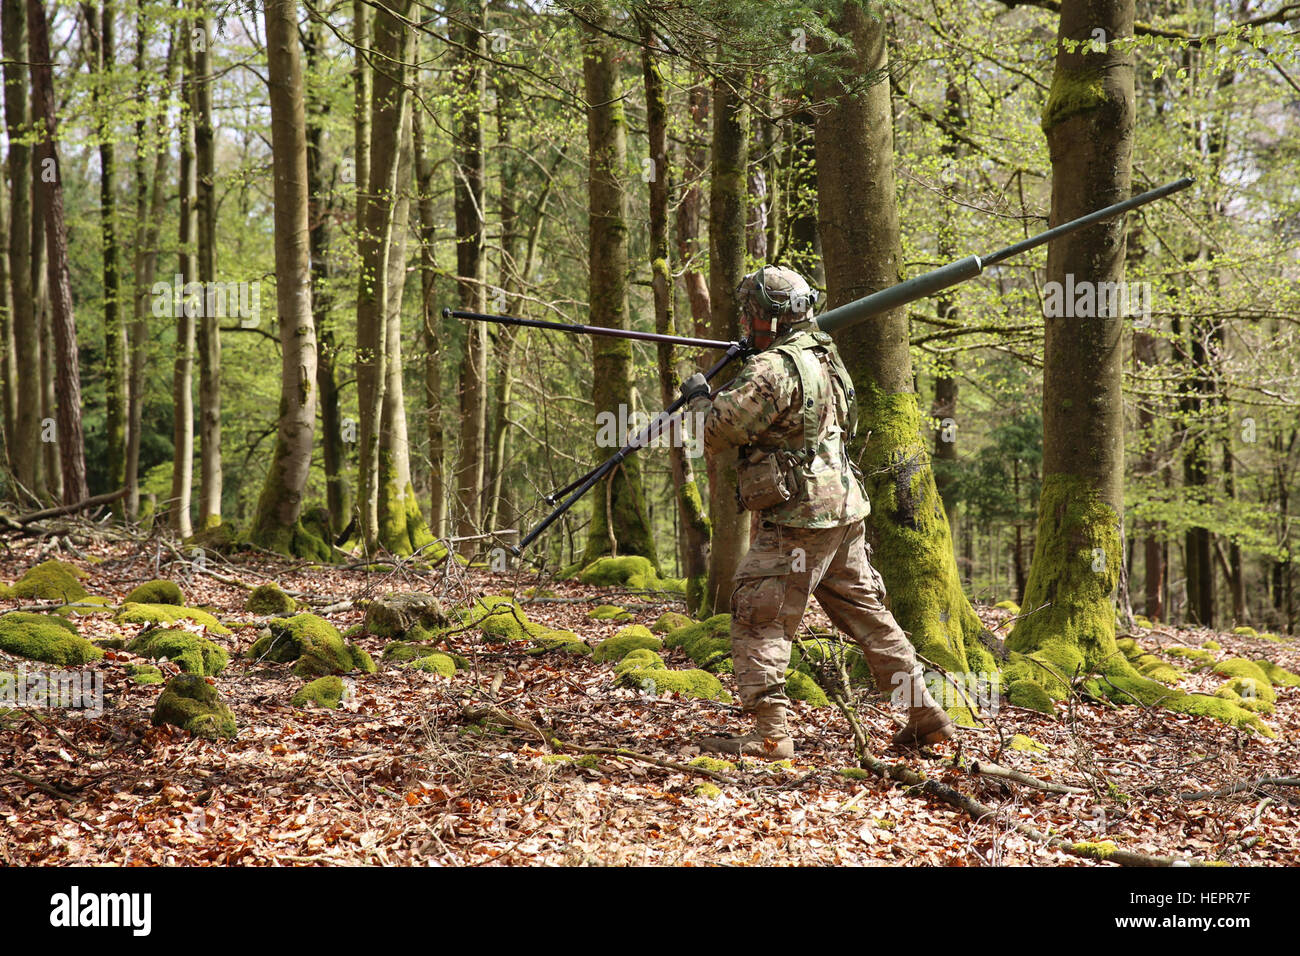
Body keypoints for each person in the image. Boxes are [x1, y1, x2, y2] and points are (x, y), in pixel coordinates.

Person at [679, 265, 954, 759]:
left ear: (772, 318)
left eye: (753, 315)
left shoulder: (773, 368)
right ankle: (924, 713)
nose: (747, 323)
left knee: (757, 614)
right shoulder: (822, 354)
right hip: (843, 509)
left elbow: (719, 430)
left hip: (800, 519)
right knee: (870, 617)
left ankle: (770, 735)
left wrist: (699, 397)